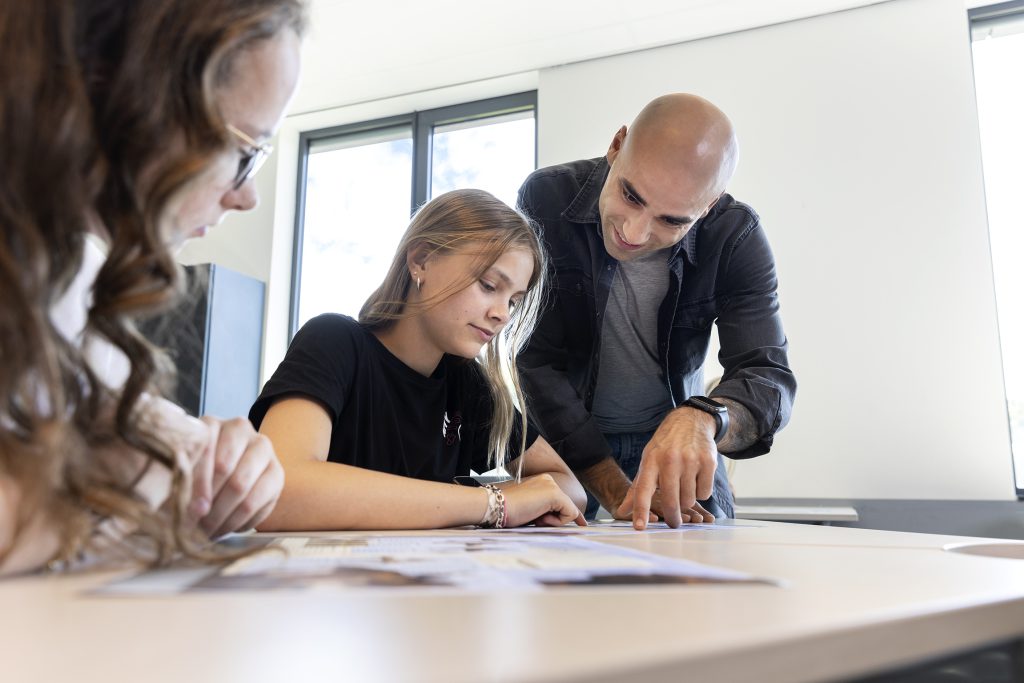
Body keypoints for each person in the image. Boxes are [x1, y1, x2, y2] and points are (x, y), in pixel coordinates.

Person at [0, 0, 306, 575]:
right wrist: (125, 476)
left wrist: (233, 462)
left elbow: (159, 441)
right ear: (120, 93)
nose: (247, 197)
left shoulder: (69, 274)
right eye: (245, 153)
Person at [516, 93, 796, 530]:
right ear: (616, 145)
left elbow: (768, 376)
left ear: (707, 206)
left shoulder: (735, 235)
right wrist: (611, 485)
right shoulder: (547, 198)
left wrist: (706, 416)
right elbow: (535, 360)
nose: (633, 232)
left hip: (677, 449)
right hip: (563, 446)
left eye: (672, 220)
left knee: (702, 584)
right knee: (555, 587)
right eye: (630, 195)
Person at [250, 189, 587, 530]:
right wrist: (493, 503)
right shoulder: (334, 341)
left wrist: (472, 499)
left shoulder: (468, 384)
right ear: (421, 260)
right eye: (488, 285)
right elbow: (275, 492)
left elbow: (568, 488)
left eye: (513, 301)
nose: (502, 314)